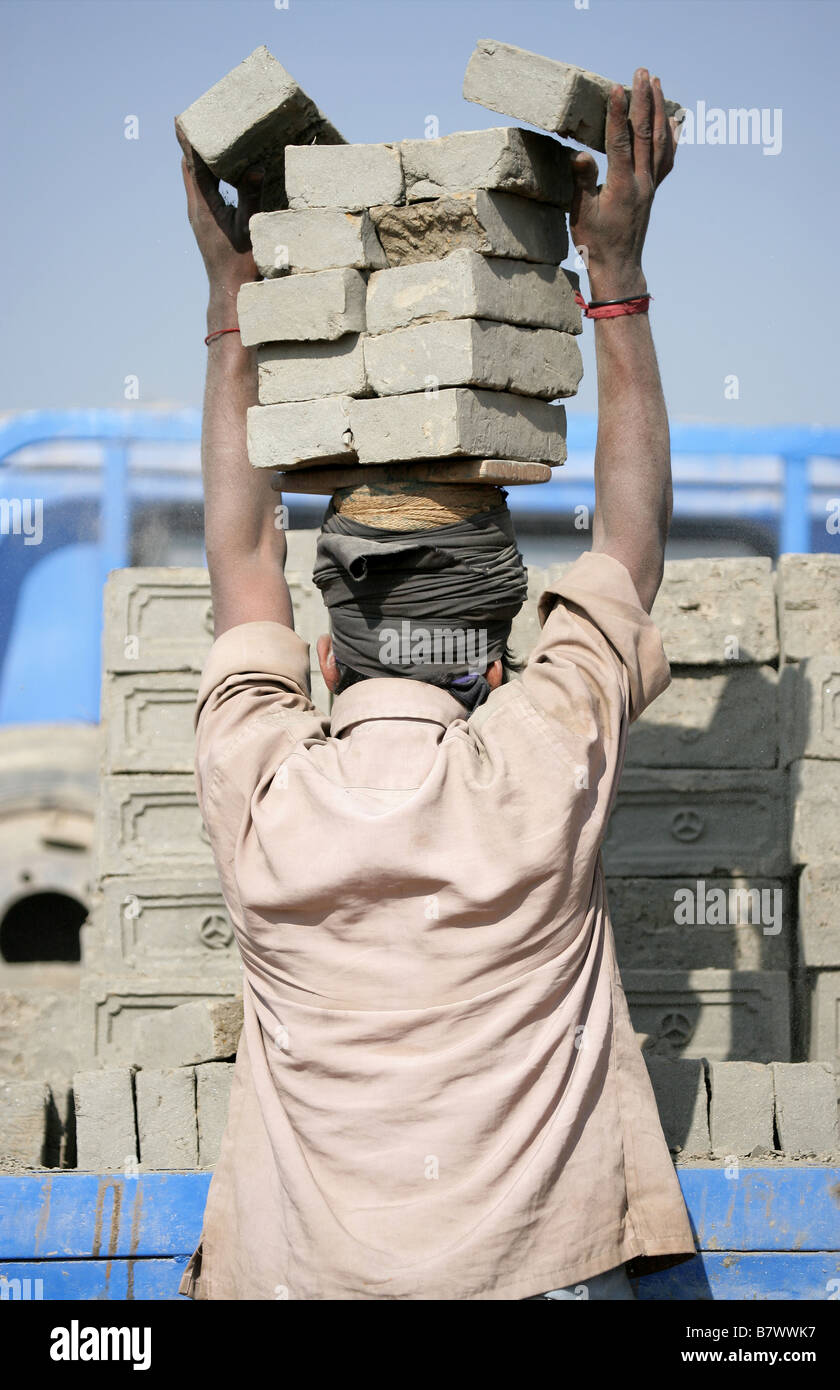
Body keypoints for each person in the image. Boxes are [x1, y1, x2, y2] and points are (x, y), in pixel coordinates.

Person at [175, 67, 695, 1301]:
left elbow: (242, 556)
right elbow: (629, 542)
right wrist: (611, 277)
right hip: (548, 1276)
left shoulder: (262, 789)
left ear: (319, 654)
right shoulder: (543, 752)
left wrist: (231, 299)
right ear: (501, 649)